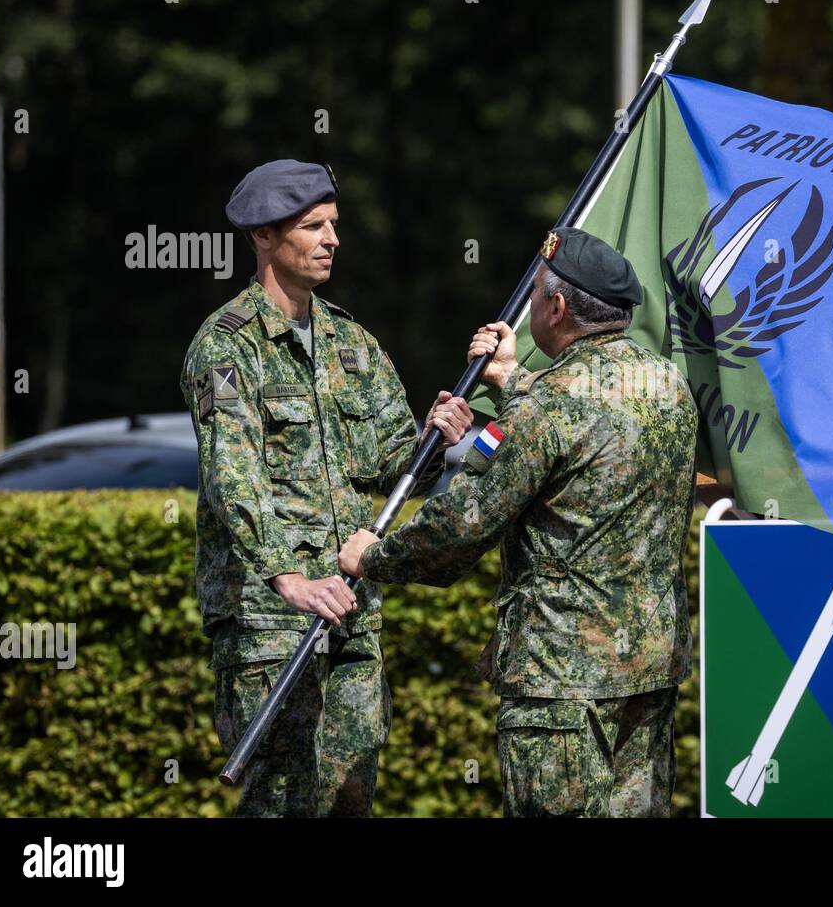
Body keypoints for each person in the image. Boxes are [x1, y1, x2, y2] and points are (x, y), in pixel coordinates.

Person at [338, 226, 698, 817]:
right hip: (649, 668)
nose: (530, 305)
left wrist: (371, 555)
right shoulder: (667, 384)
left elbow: (460, 527)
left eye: (535, 295)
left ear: (557, 307)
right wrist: (509, 382)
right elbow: (586, 435)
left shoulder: (546, 407)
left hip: (561, 679)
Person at [180, 158, 473, 816]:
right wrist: (289, 578)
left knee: (349, 801)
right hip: (271, 623)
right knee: (281, 801)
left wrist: (439, 438)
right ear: (263, 236)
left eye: (333, 224)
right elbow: (235, 475)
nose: (331, 239)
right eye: (312, 226)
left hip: (351, 615)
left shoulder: (354, 345)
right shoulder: (228, 347)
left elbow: (400, 463)